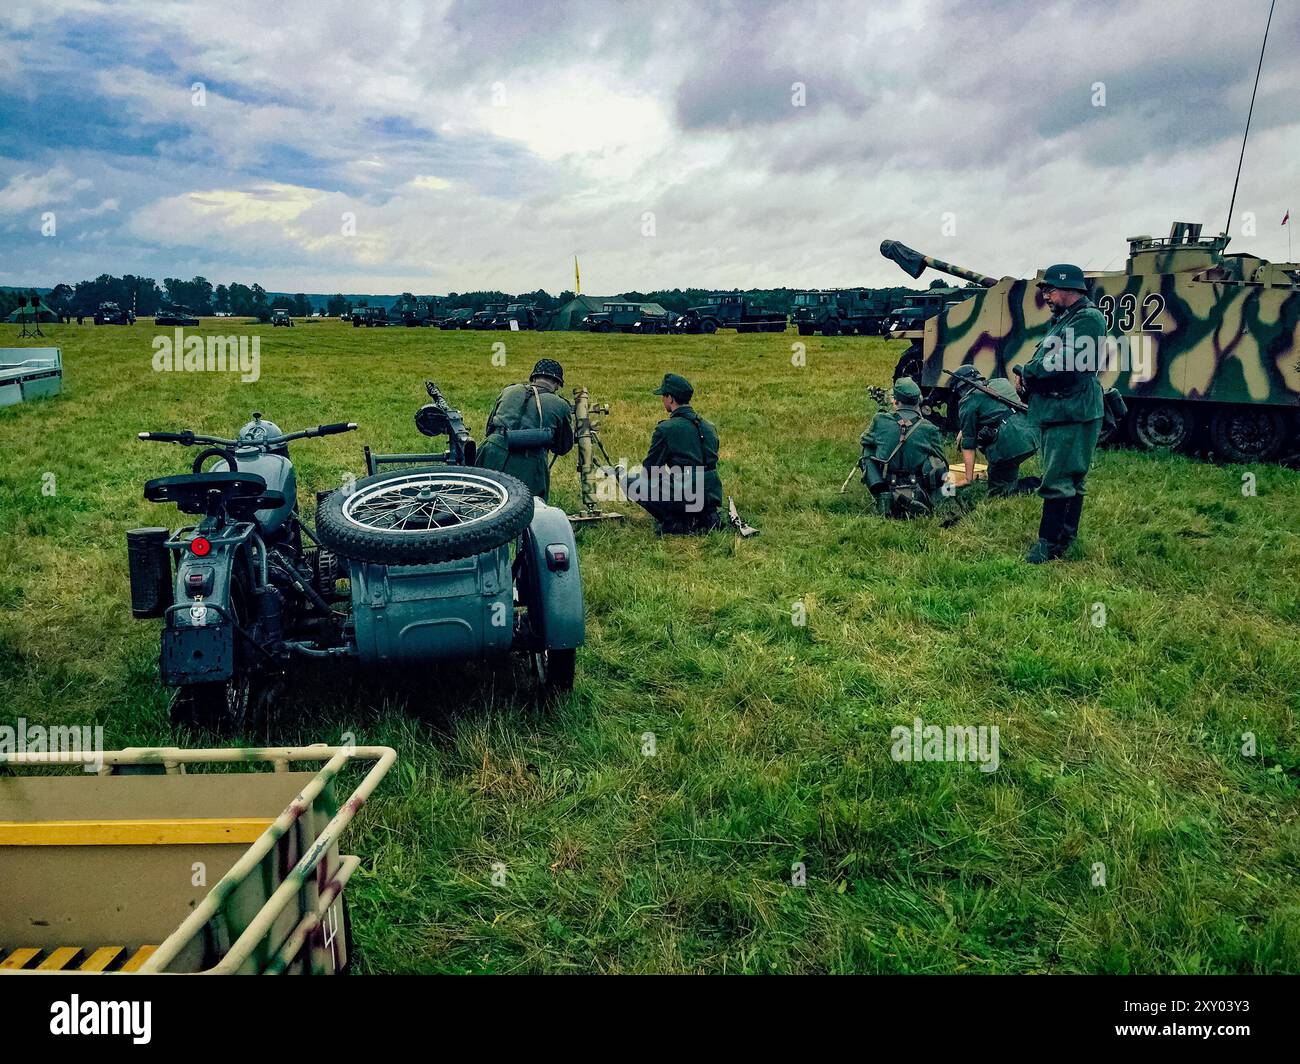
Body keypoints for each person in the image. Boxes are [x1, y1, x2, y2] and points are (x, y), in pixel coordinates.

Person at [1013, 264, 1105, 562]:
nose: (1046, 296)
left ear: (1070, 289)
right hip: (1065, 408)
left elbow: (1065, 362)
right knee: (1070, 476)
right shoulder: (1068, 318)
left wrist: (1027, 372)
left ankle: (1048, 545)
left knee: (1058, 478)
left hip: (1071, 410)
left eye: (1050, 290)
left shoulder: (1087, 319)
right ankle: (1065, 538)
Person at [627, 372, 724, 534]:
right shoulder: (709, 426)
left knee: (631, 481)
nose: (662, 400)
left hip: (687, 494)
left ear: (670, 398)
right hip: (711, 495)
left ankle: (675, 521)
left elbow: (649, 471)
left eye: (663, 396)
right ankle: (706, 517)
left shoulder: (665, 429)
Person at [475, 358, 574, 501]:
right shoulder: (560, 404)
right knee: (525, 510)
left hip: (491, 451)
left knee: (478, 500)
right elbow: (562, 447)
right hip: (529, 462)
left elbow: (489, 427)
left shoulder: (508, 391)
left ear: (533, 378)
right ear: (557, 384)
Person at [859, 378, 948, 517]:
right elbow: (942, 461)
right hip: (917, 482)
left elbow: (864, 440)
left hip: (887, 480)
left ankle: (881, 494)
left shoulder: (880, 420)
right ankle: (931, 499)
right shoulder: (929, 428)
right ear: (918, 401)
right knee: (937, 461)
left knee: (867, 449)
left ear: (895, 400)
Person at [949, 364, 1040, 497]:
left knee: (997, 493)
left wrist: (968, 479)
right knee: (1006, 474)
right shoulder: (1001, 382)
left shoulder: (967, 402)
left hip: (1010, 445)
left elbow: (968, 445)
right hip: (1032, 436)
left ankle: (1039, 485)